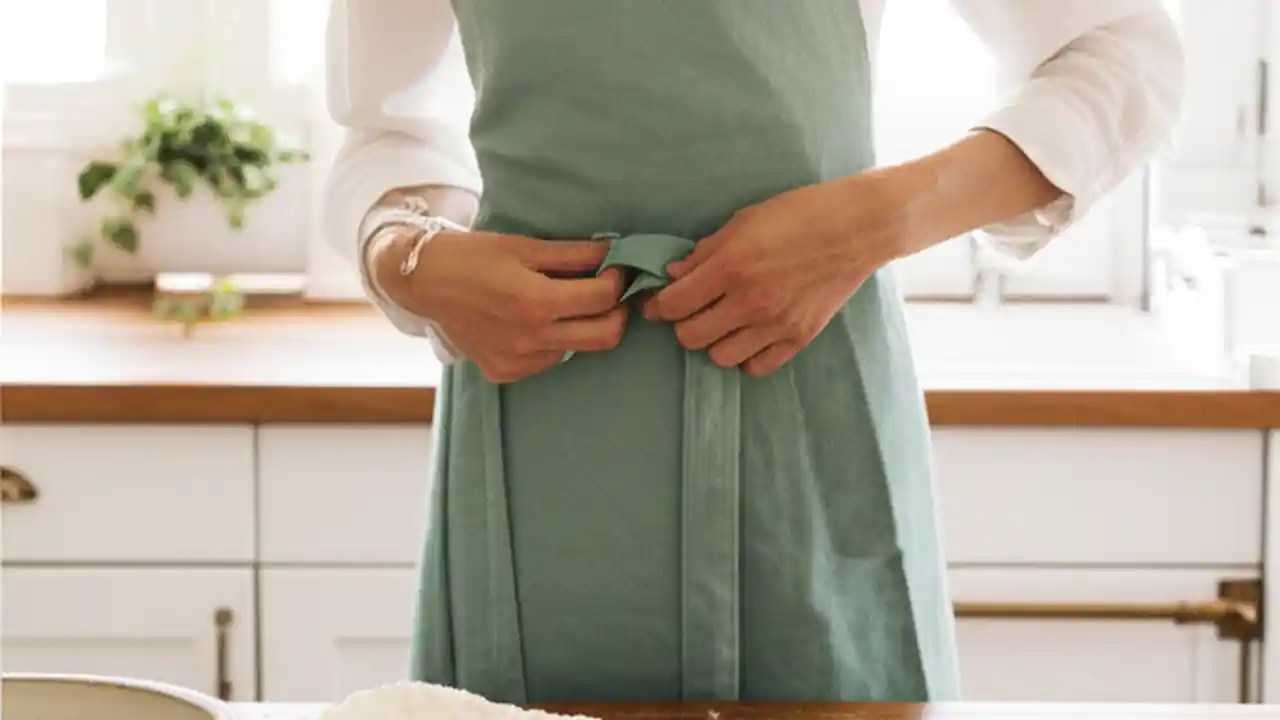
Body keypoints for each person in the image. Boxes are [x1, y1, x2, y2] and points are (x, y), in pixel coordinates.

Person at [324, 0, 1184, 704]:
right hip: (537, 432)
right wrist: (410, 258)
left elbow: (1126, 55)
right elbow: (385, 129)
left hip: (806, 422)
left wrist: (873, 222)